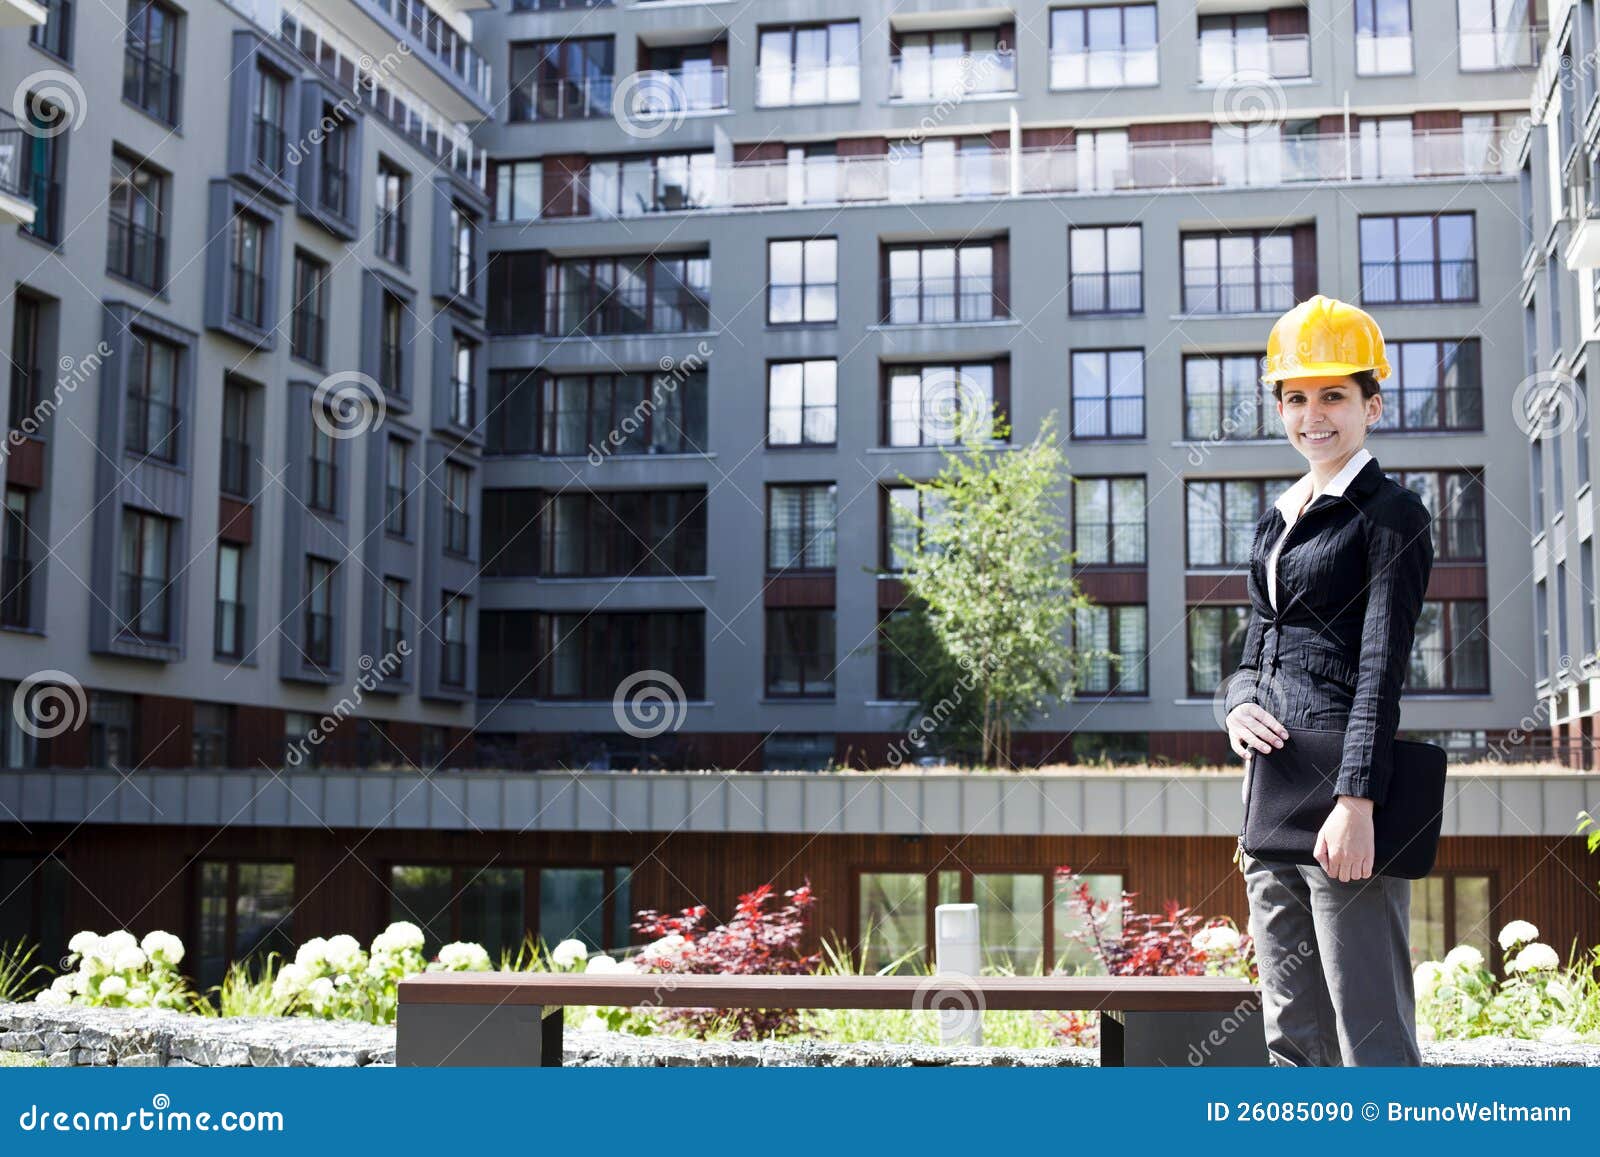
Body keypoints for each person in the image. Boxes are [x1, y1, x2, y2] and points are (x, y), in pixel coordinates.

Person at [1222, 293, 1436, 1067]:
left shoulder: (1391, 515)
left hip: (1342, 798)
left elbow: (1381, 669)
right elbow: (1255, 652)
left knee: (1369, 1034)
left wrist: (1357, 803)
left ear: (1372, 405)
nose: (1313, 415)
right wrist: (1236, 705)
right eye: (1297, 397)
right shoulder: (1275, 521)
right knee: (1292, 1034)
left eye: (1334, 396)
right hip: (1271, 793)